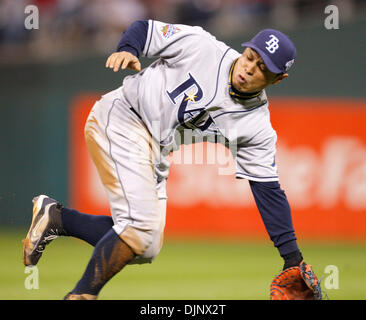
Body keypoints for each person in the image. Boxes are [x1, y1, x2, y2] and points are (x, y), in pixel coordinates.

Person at [22, 20, 321, 300]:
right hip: (123, 117)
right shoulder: (202, 47)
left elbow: (267, 191)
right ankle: (81, 294)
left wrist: (291, 257)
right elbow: (145, 28)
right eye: (250, 57)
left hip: (156, 150)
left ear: (278, 79)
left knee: (145, 247)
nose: (249, 69)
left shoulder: (256, 127)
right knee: (139, 230)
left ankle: (58, 219)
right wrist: (128, 48)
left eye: (262, 69)